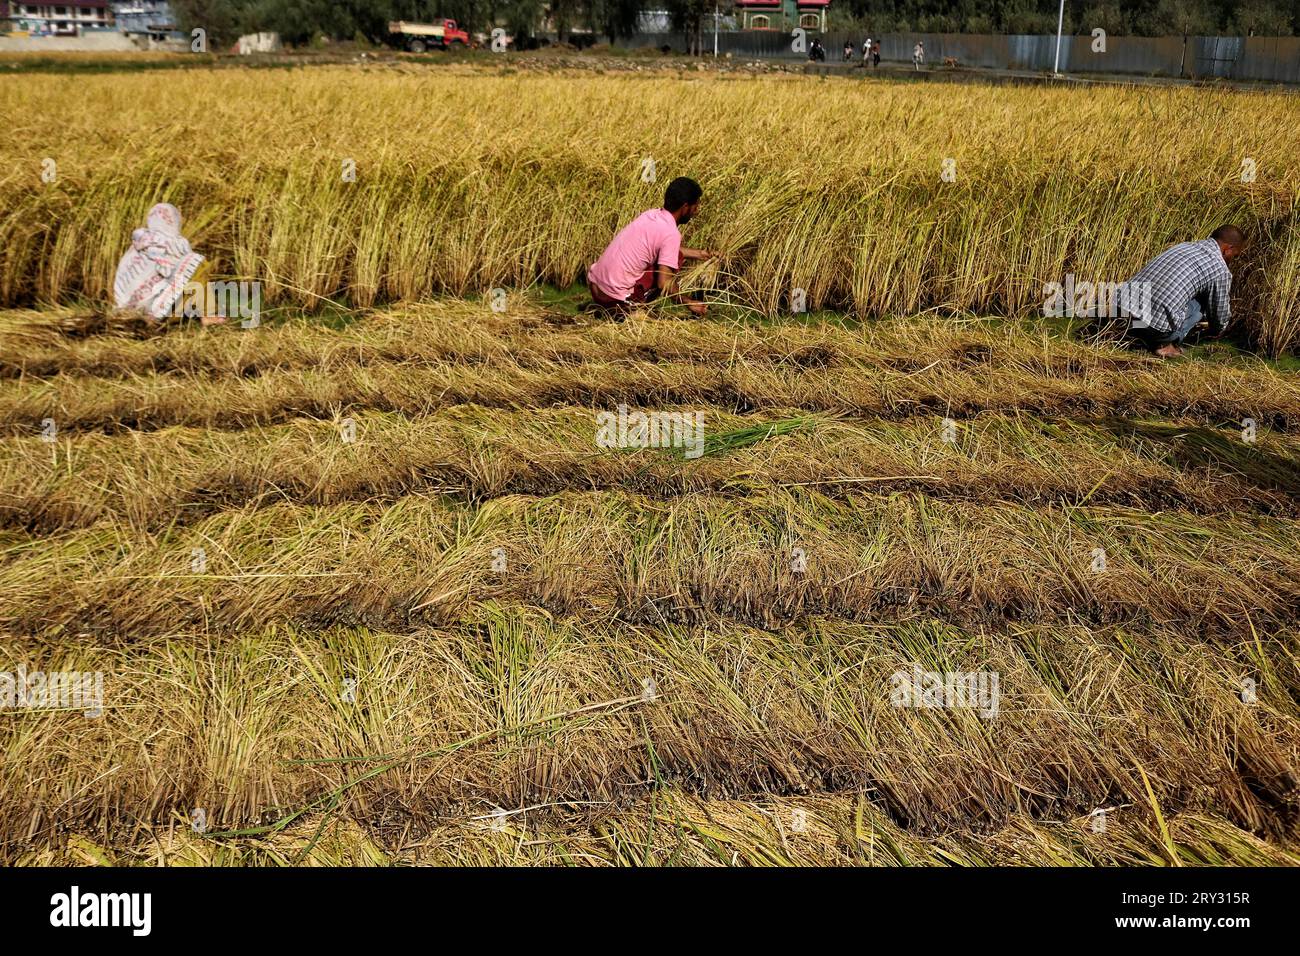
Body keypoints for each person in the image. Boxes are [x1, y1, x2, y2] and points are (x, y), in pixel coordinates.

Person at [588, 177, 714, 317]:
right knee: (674, 260)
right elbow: (663, 283)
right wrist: (689, 303)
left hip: (596, 288)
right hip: (614, 299)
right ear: (685, 207)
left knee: (671, 257)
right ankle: (635, 310)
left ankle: (623, 307)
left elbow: (663, 249)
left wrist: (701, 254)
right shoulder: (671, 233)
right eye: (695, 207)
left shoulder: (650, 215)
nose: (696, 212)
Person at [1120, 225, 1244, 358]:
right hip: (1153, 327)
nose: (1233, 260)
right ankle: (1164, 345)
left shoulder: (1184, 246)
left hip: (1121, 311)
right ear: (1227, 249)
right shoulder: (1220, 269)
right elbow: (1220, 315)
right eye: (1235, 256)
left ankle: (1130, 334)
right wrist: (1218, 330)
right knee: (1201, 302)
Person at [113, 202, 224, 324]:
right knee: (197, 262)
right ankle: (209, 314)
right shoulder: (175, 242)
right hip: (158, 314)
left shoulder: (135, 247)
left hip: (126, 312)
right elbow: (189, 273)